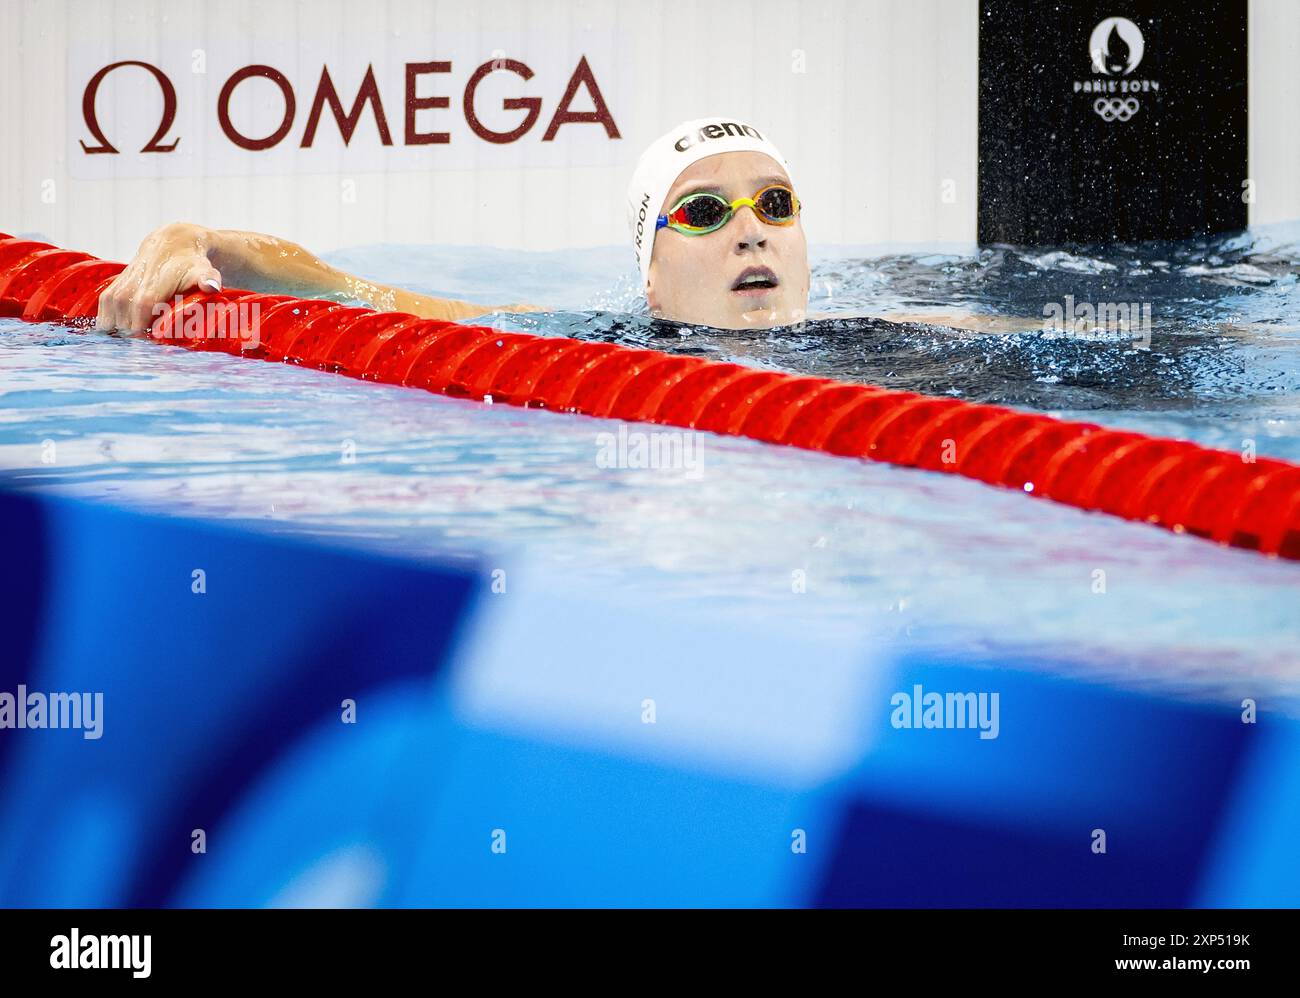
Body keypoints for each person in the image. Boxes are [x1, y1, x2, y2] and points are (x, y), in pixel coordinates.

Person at [95, 115, 1021, 334]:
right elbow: (344, 288)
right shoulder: (595, 344)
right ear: (648, 275)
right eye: (704, 212)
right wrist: (199, 240)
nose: (753, 234)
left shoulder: (891, 340)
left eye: (775, 205)